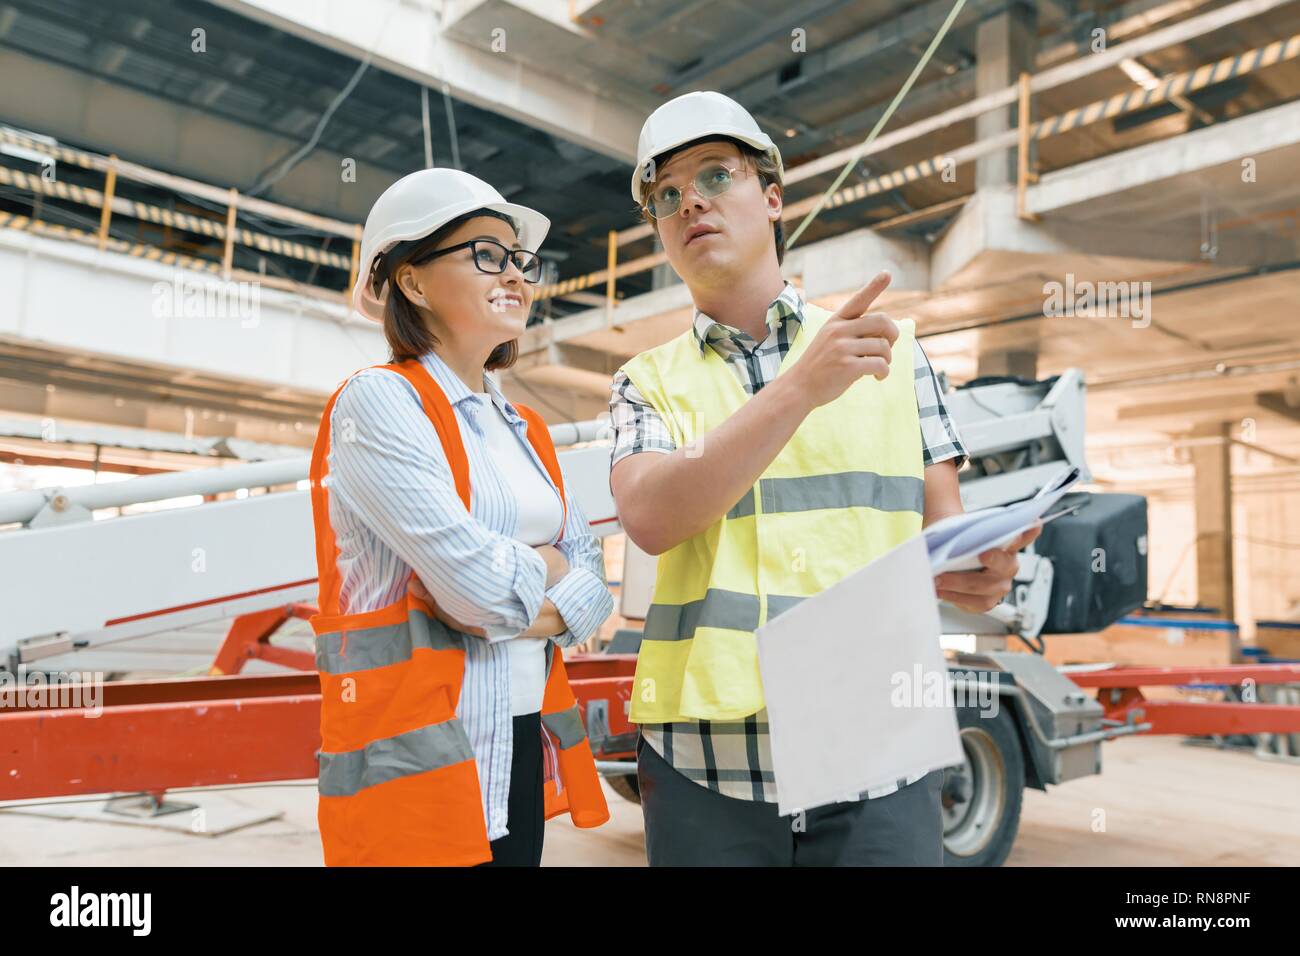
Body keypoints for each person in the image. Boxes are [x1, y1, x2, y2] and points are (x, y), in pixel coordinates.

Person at [608, 91, 1040, 866]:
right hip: (708, 759)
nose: (690, 202)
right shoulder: (646, 382)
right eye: (667, 195)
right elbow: (650, 516)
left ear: (772, 198)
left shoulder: (894, 352)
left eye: (715, 175)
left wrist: (981, 567)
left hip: (876, 742)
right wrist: (798, 389)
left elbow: (941, 538)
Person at [308, 168, 612, 866]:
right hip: (415, 759)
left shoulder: (525, 427)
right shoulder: (380, 402)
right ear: (412, 282)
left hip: (517, 741)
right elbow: (479, 592)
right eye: (486, 253)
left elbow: (592, 581)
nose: (514, 274)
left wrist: (534, 587)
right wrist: (552, 579)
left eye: (520, 259)